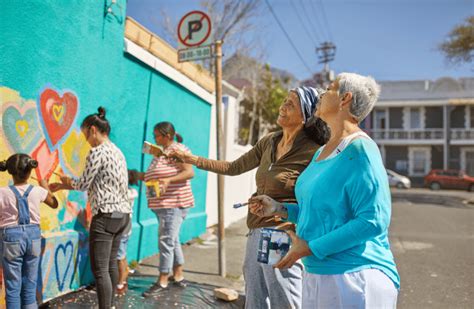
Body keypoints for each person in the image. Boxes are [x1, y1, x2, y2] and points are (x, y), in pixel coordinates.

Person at [170, 87, 330, 309]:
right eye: (284, 100)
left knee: (283, 298)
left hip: (283, 234)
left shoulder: (315, 152)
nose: (283, 106)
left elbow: (318, 199)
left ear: (306, 116)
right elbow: (234, 167)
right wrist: (192, 158)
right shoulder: (269, 141)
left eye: (291, 104)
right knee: (254, 298)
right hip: (256, 230)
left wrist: (282, 208)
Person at [249, 73, 400, 308]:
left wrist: (309, 247)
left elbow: (374, 220)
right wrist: (279, 208)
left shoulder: (361, 149)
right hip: (317, 271)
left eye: (329, 89)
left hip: (355, 275)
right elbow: (320, 211)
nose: (320, 94)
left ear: (344, 99)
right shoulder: (321, 152)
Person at [50, 107, 131, 309]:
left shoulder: (97, 152)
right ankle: (111, 305)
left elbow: (83, 183)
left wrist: (66, 181)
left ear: (93, 129)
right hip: (123, 216)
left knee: (100, 269)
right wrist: (63, 184)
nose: (85, 139)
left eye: (85, 133)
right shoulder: (117, 151)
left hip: (106, 215)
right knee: (111, 263)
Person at [129, 121, 195, 297]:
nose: (153, 138)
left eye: (156, 135)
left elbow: (189, 172)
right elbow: (156, 176)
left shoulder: (178, 150)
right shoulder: (161, 152)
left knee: (166, 240)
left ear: (167, 136)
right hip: (162, 205)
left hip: (173, 204)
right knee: (172, 240)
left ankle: (163, 280)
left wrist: (168, 181)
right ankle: (178, 275)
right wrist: (138, 176)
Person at [0, 154, 58, 308]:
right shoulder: (37, 191)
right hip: (33, 239)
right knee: (30, 287)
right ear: (30, 171)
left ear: (10, 172)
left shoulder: (2, 192)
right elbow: (54, 203)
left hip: (11, 238)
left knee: (12, 287)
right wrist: (44, 185)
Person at [116, 183, 138, 296]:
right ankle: (123, 279)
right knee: (122, 255)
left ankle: (120, 283)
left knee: (119, 257)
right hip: (126, 226)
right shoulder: (132, 192)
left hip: (120, 225)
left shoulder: (123, 193)